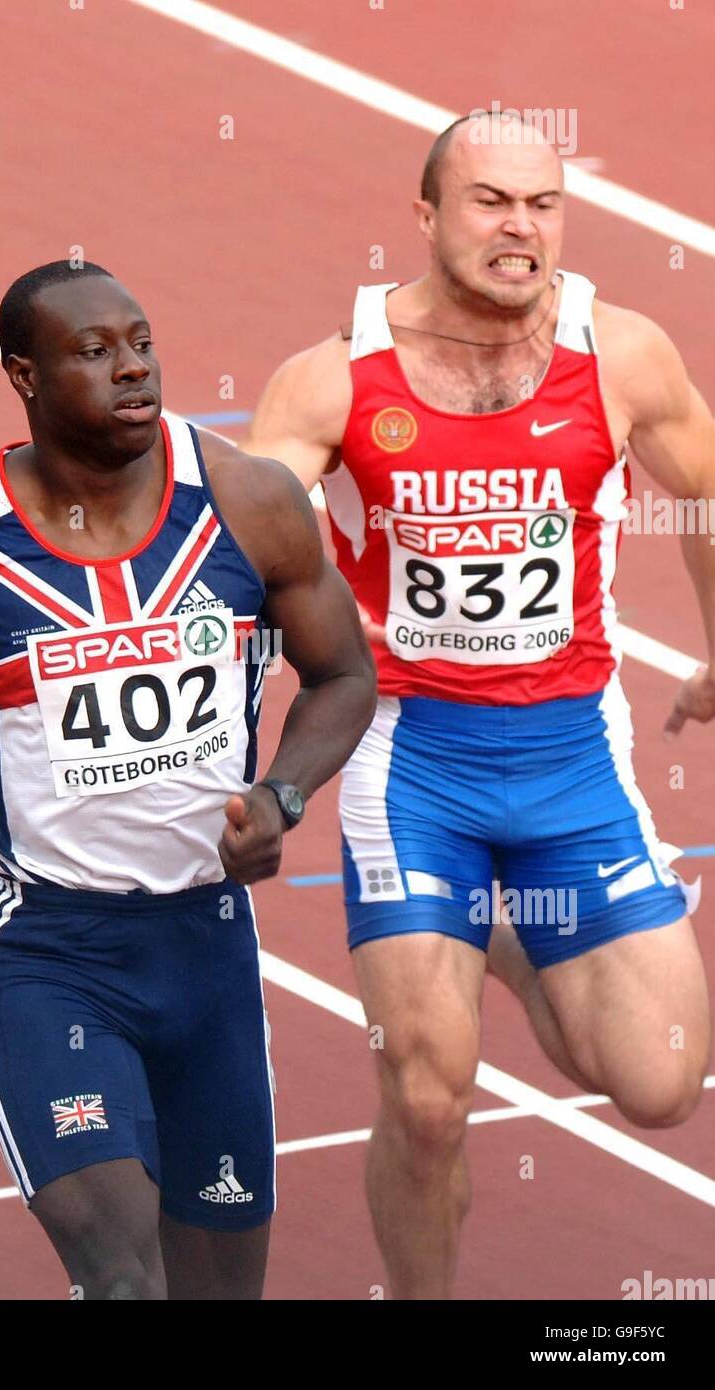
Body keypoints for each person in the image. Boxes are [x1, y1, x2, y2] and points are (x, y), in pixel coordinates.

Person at [0, 261, 376, 1301]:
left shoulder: (248, 502)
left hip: (208, 951)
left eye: (140, 342)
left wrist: (282, 795)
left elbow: (343, 675)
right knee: (124, 1281)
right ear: (25, 376)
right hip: (53, 955)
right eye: (95, 353)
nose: (132, 369)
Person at [243, 111, 715, 1299]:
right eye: (490, 202)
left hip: (573, 753)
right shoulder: (333, 377)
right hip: (412, 760)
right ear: (426, 214)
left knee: (661, 1081)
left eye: (542, 204)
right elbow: (242, 556)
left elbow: (707, 482)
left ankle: (499, 944)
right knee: (425, 1093)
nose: (520, 229)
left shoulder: (620, 354)